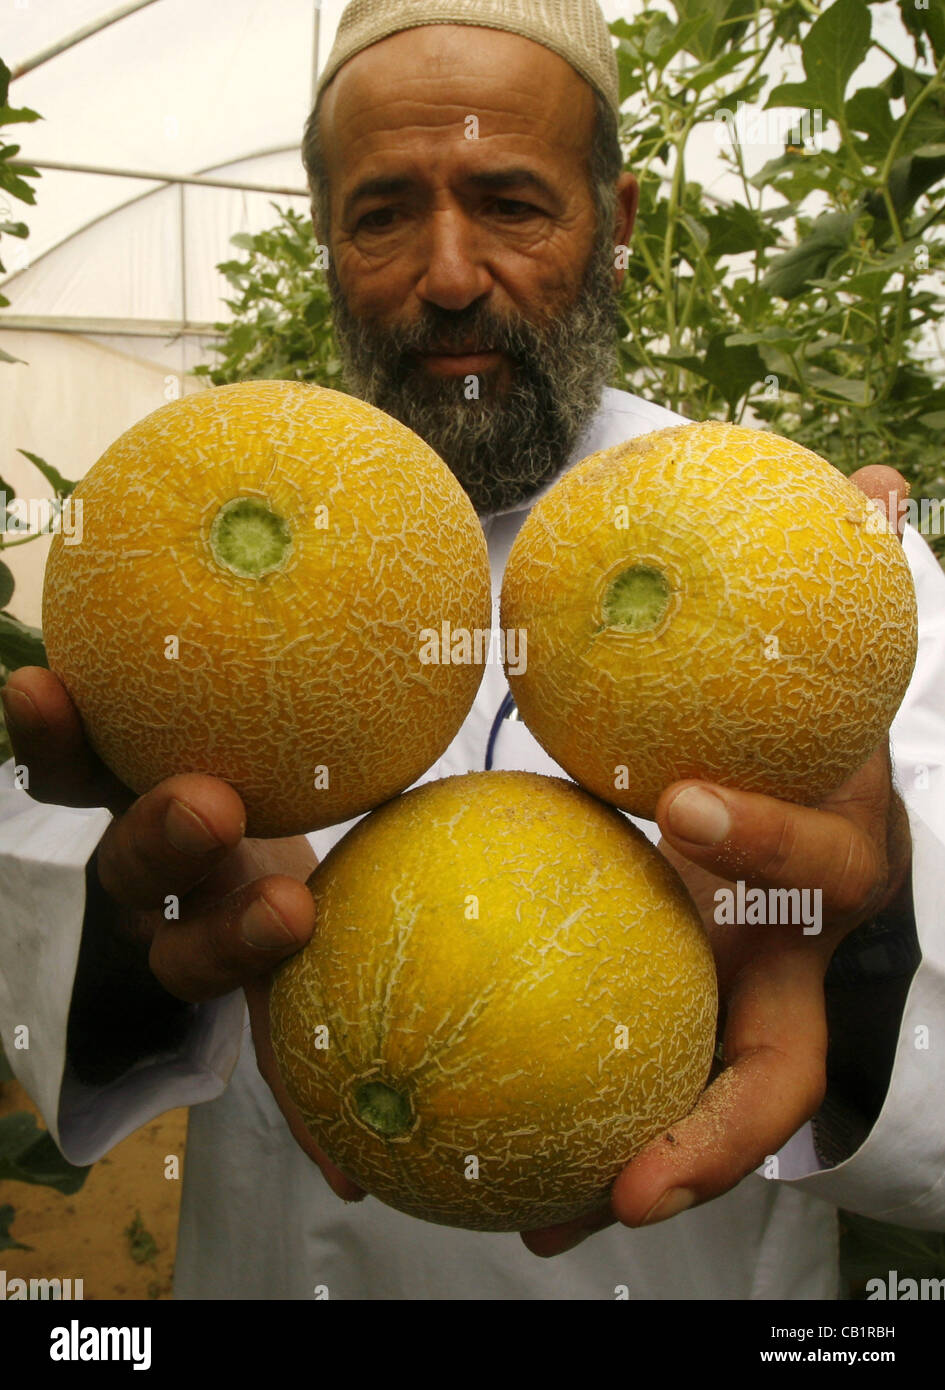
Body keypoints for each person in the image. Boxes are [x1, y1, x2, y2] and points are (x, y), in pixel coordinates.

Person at [1, 0, 943, 1300]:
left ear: (612, 225)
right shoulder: (178, 519)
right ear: (327, 238)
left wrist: (864, 929)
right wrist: (137, 925)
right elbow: (51, 993)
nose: (448, 273)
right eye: (383, 210)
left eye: (509, 201)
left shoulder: (813, 541)